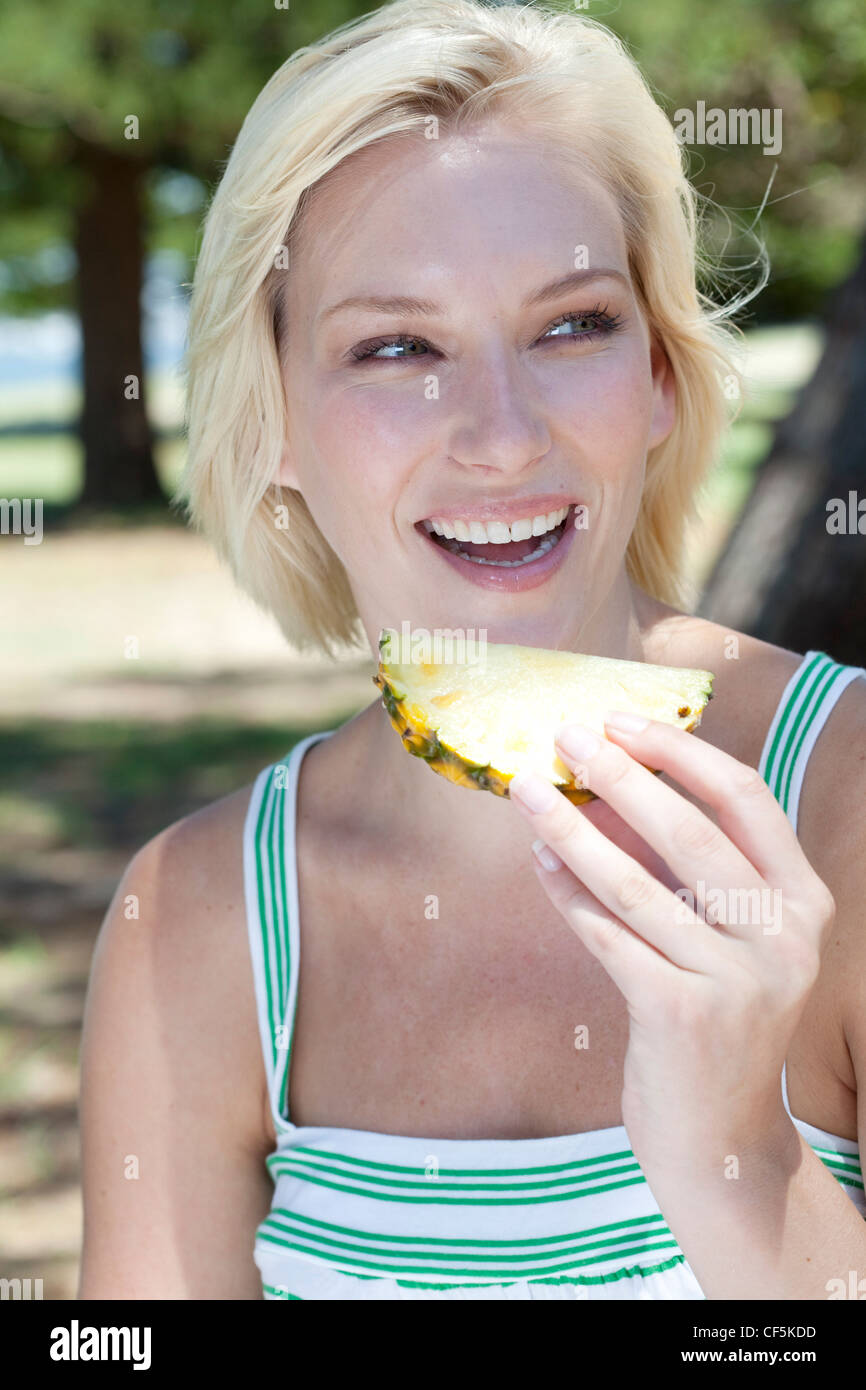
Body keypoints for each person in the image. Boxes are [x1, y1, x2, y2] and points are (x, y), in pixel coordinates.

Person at [77, 0, 866, 1300]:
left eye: (571, 326)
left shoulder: (850, 802)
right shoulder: (198, 923)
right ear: (269, 421)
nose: (501, 434)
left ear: (660, 375)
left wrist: (736, 1155)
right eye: (396, 347)